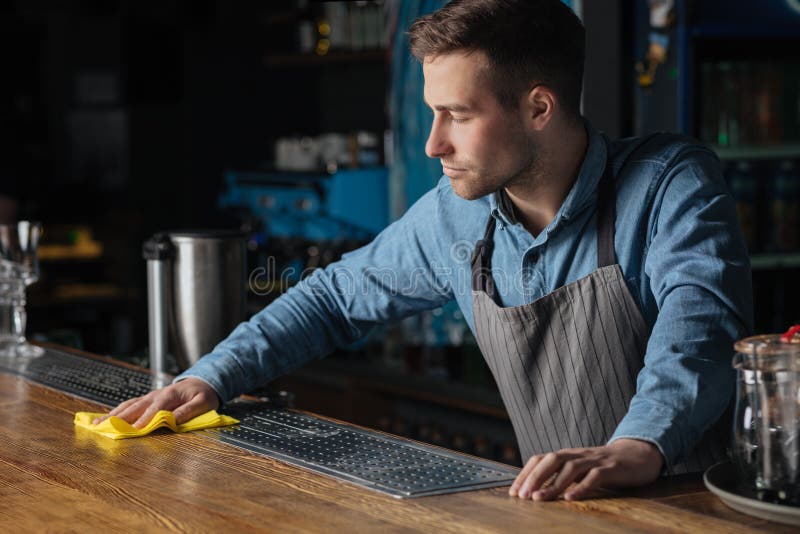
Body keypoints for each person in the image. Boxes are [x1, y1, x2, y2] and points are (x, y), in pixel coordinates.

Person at [99, 0, 752, 502]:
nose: (432, 144)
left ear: (539, 108)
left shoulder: (669, 183)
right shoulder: (457, 216)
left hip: (695, 506)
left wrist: (638, 446)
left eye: (457, 115)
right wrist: (210, 378)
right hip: (562, 511)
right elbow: (332, 299)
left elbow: (699, 329)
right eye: (431, 114)